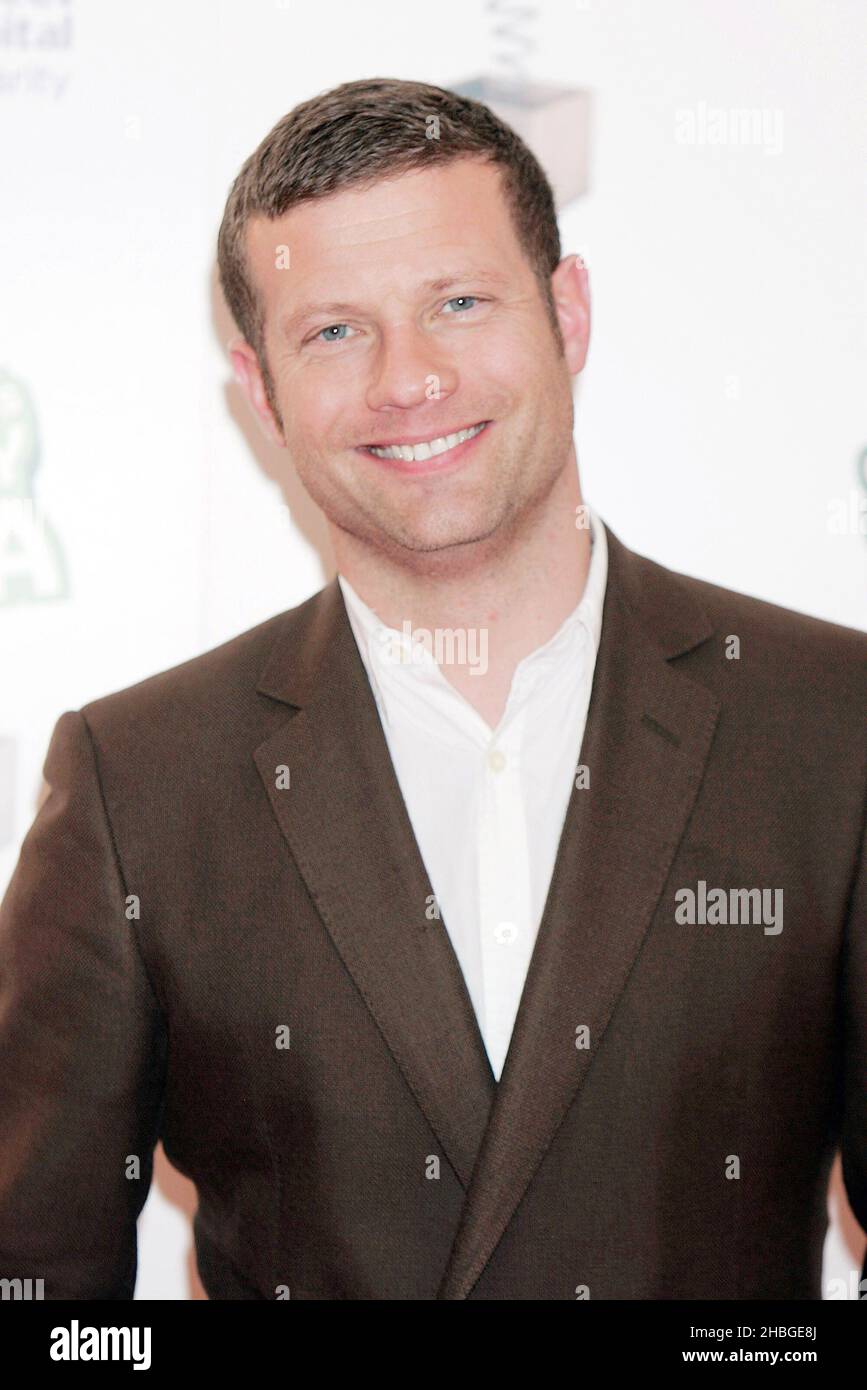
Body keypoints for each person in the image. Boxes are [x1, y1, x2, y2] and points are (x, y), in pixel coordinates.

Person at [0, 77, 865, 1301]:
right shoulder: (136, 782)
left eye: (458, 303)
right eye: (335, 332)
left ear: (567, 316)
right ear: (264, 391)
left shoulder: (833, 729)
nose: (409, 380)